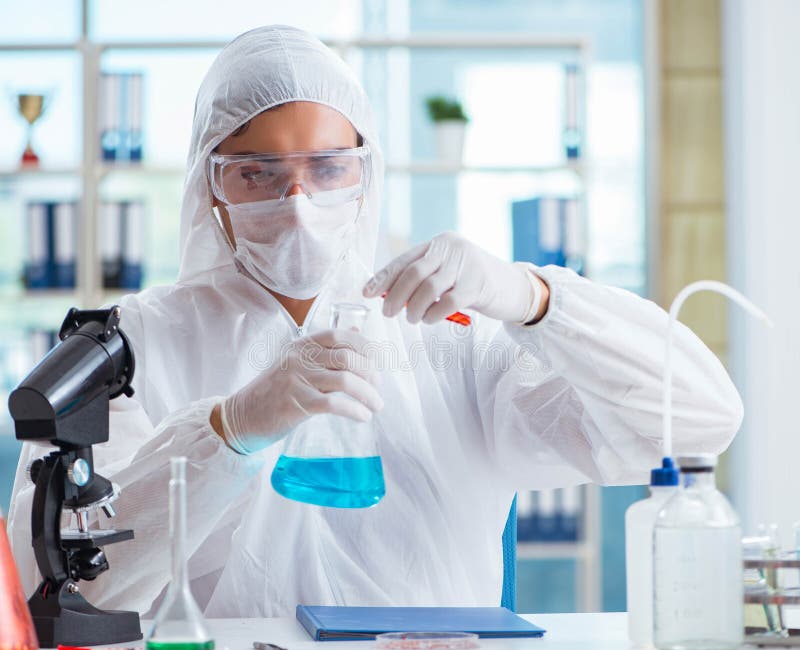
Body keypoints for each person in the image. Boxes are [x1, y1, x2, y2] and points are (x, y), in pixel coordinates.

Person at [8, 25, 742, 618]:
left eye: (328, 167)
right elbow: (56, 583)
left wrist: (536, 299)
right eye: (257, 172)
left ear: (366, 173)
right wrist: (226, 431)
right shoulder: (132, 344)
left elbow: (697, 423)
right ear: (211, 184)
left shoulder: (448, 332)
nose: (298, 203)